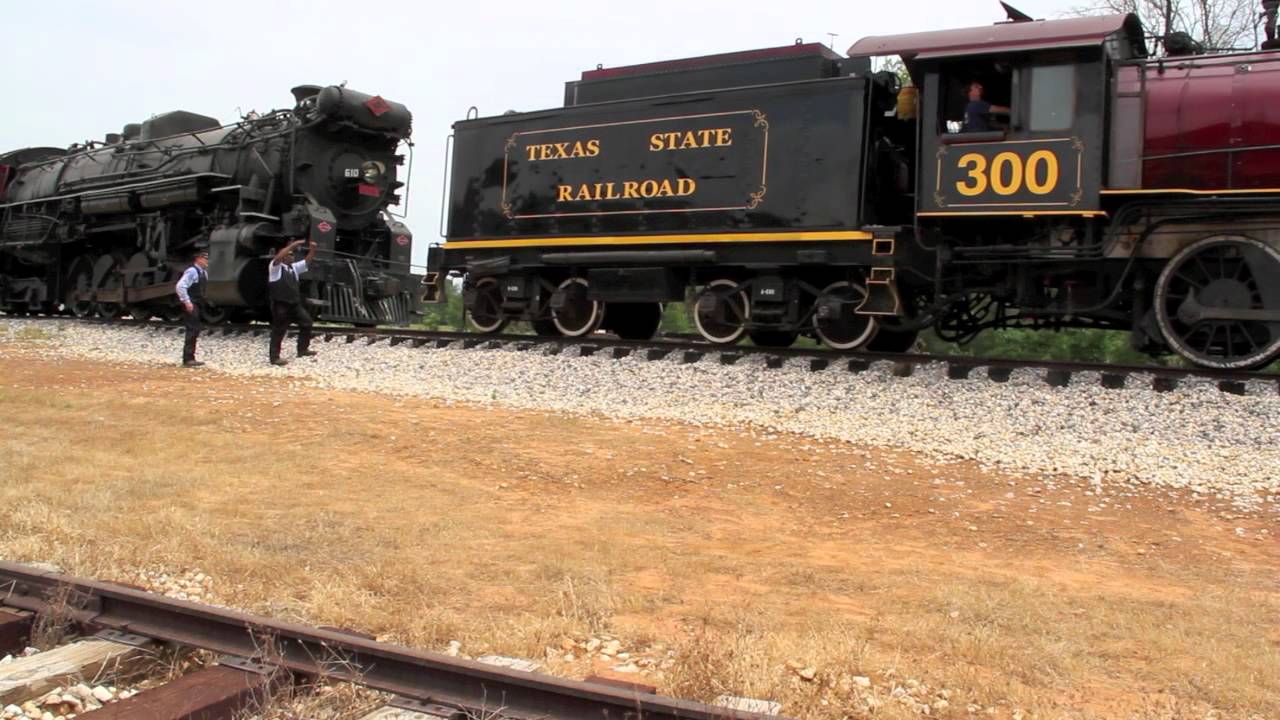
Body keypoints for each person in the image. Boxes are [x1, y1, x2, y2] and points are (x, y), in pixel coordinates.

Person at [267, 238, 317, 366]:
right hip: (281, 305)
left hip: (294, 304)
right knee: (279, 330)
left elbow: (306, 262)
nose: (292, 256)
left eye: (292, 255)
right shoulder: (275, 268)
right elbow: (278, 258)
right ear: (283, 256)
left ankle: (302, 349)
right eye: (289, 255)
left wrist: (312, 250)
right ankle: (274, 357)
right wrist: (292, 246)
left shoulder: (293, 268)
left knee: (307, 323)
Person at [174, 249, 209, 367]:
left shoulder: (203, 272)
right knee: (192, 329)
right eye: (204, 258)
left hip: (197, 303)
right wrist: (187, 302)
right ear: (198, 259)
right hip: (192, 304)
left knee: (195, 329)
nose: (206, 261)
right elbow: (180, 286)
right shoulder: (192, 271)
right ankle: (188, 358)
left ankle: (191, 357)